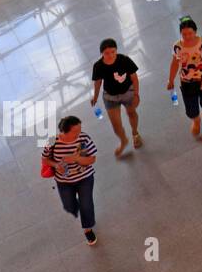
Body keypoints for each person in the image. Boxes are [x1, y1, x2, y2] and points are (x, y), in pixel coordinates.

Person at [42, 116, 98, 246]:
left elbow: (92, 159)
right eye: (76, 131)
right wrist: (56, 165)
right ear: (65, 131)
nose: (79, 133)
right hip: (64, 181)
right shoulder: (52, 141)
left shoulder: (84, 139)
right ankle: (80, 207)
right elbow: (45, 160)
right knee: (69, 206)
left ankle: (88, 229)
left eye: (80, 130)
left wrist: (76, 159)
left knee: (86, 204)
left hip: (85, 177)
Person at [168, 16, 202, 140]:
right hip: (187, 82)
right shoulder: (177, 46)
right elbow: (175, 64)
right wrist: (170, 80)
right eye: (184, 34)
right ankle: (196, 121)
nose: (187, 36)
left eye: (190, 33)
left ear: (195, 31)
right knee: (191, 108)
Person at [89, 38, 141, 157]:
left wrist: (136, 94)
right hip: (110, 97)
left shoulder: (124, 60)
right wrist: (95, 97)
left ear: (116, 50)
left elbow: (134, 78)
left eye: (113, 52)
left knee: (131, 113)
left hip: (128, 92)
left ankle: (135, 133)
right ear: (101, 53)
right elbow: (98, 82)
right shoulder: (98, 66)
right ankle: (123, 140)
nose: (110, 55)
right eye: (106, 53)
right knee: (116, 125)